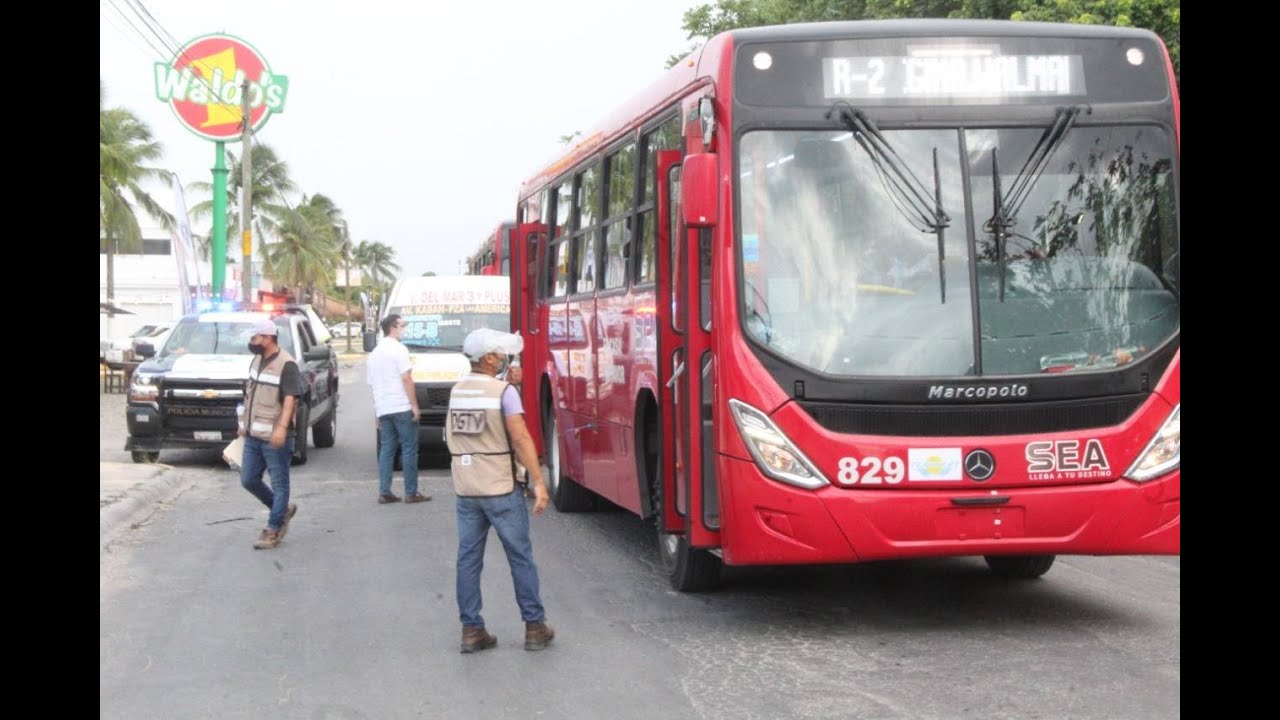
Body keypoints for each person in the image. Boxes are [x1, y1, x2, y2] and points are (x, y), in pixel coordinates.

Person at [446, 328, 554, 653]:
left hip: (467, 489)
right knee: (520, 557)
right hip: (501, 487)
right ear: (489, 358)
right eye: (499, 353)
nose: (504, 357)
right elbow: (520, 438)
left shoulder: (457, 391)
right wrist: (538, 481)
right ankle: (534, 627)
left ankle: (471, 630)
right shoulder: (503, 392)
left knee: (468, 560)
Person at [238, 319, 302, 550]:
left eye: (255, 338)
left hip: (275, 436)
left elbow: (290, 400)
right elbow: (249, 395)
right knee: (248, 479)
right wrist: (242, 422)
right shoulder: (256, 360)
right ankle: (282, 509)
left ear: (267, 338)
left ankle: (273, 529)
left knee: (279, 482)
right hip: (253, 433)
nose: (251, 342)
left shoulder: (287, 364)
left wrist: (282, 429)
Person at [366, 313, 429, 504]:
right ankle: (411, 491)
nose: (404, 329)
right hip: (401, 405)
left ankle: (385, 490)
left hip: (384, 407)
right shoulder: (399, 350)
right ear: (393, 328)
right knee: (409, 448)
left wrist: (377, 411)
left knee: (387, 449)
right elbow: (406, 378)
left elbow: (372, 384)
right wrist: (414, 405)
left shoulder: (374, 354)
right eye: (402, 325)